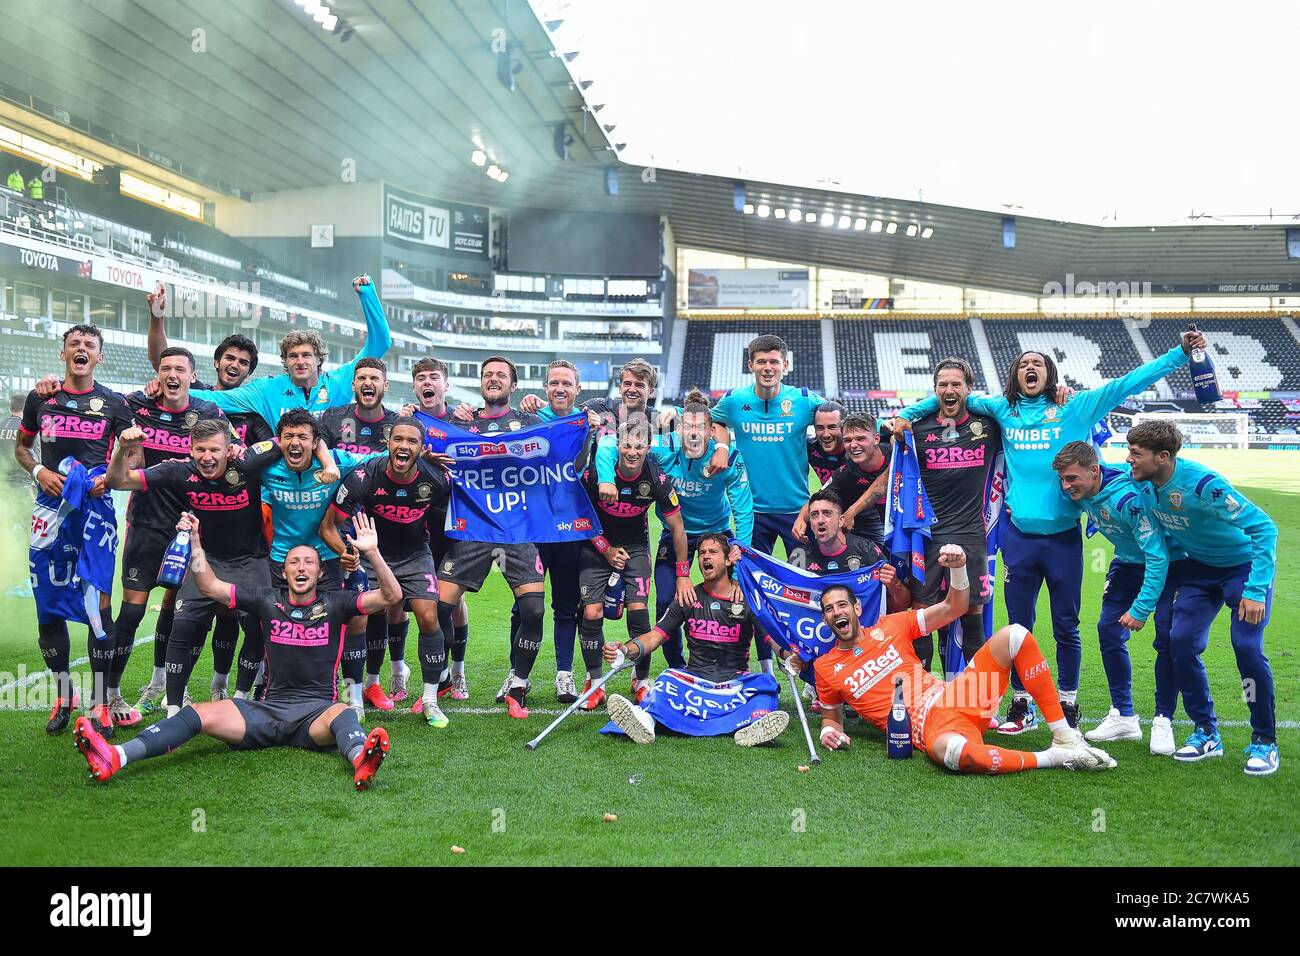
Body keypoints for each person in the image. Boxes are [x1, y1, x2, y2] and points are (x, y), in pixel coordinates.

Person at [891, 329, 1203, 733]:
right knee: (1018, 628)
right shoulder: (1003, 409)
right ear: (1014, 375)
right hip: (1019, 539)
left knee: (1066, 626)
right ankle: (1021, 706)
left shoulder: (1076, 408)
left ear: (1050, 373)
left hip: (1063, 540)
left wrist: (1179, 353)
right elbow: (953, 396)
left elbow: (1130, 381)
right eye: (1023, 364)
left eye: (1038, 363)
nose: (1030, 367)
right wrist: (909, 414)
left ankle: (1068, 703)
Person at [72, 512, 398, 791]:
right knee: (197, 713)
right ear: (284, 573)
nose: (302, 567)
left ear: (319, 572)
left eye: (309, 562)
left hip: (317, 714)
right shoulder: (267, 599)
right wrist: (196, 542)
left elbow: (390, 595)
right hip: (266, 710)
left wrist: (373, 554)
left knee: (343, 712)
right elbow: (209, 586)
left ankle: (361, 760)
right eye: (294, 562)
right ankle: (116, 755)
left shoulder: (337, 604)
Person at [811, 548, 1115, 773]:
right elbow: (831, 717)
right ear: (825, 618)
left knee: (1016, 635)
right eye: (829, 609)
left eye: (842, 605)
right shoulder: (825, 667)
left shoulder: (891, 625)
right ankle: (1055, 758)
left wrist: (958, 568)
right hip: (930, 727)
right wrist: (828, 732)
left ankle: (1064, 736)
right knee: (954, 756)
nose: (837, 612)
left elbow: (954, 606)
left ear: (857, 609)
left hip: (961, 695)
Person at [106, 420, 332, 715]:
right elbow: (118, 481)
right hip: (206, 560)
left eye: (215, 449)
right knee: (183, 624)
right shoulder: (179, 471)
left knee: (256, 624)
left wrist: (327, 462)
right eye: (200, 450)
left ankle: (240, 697)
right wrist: (122, 448)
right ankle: (174, 708)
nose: (207, 457)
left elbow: (295, 439)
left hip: (250, 560)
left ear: (229, 450)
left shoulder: (248, 462)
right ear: (190, 449)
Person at [1126, 420, 1279, 776]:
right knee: (1179, 641)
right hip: (1199, 571)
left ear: (1162, 457)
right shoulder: (1146, 486)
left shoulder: (1203, 485)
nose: (1128, 459)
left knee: (1246, 646)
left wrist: (1255, 590)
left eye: (1135, 453)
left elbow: (1264, 527)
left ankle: (1264, 740)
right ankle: (1206, 732)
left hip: (1243, 569)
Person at [16, 324, 134, 736]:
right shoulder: (41, 399)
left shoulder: (115, 404)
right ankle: (64, 693)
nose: (81, 349)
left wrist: (111, 478)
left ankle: (101, 703)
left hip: (95, 513)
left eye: (90, 345)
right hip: (50, 513)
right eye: (75, 344)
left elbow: (132, 461)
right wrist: (38, 470)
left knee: (99, 608)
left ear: (99, 357)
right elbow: (21, 447)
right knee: (47, 606)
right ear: (63, 352)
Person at [593, 388, 754, 676]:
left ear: (711, 431)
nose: (694, 433)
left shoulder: (728, 459)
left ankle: (744, 666)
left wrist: (742, 554)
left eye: (701, 428)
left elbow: (743, 509)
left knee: (744, 596)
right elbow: (609, 442)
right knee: (667, 600)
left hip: (717, 533)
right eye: (688, 427)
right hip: (675, 532)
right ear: (679, 429)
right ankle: (678, 667)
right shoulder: (662, 448)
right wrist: (606, 478)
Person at [116, 348, 226, 722]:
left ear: (193, 376)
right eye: (165, 368)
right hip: (146, 525)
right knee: (131, 613)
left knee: (175, 611)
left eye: (180, 368)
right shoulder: (137, 405)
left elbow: (226, 452)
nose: (172, 374)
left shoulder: (209, 413)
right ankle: (111, 696)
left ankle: (160, 683)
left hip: (189, 531)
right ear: (157, 373)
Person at [600, 533, 789, 747]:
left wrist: (789, 656)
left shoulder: (746, 599)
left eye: (713, 552)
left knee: (766, 685)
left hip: (734, 683)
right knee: (666, 679)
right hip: (693, 682)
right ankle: (645, 722)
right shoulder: (688, 597)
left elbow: (772, 639)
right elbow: (654, 637)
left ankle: (754, 726)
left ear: (728, 560)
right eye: (702, 553)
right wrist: (625, 650)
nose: (705, 558)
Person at [323, 418, 451, 727]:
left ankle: (431, 699)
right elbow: (327, 526)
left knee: (429, 615)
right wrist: (347, 555)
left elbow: (449, 522)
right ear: (388, 442)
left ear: (422, 449)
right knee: (359, 619)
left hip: (413, 554)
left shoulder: (436, 480)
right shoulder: (364, 477)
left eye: (412, 442)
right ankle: (354, 698)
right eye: (398, 440)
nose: (403, 447)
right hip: (369, 554)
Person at [437, 357, 547, 715]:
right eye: (487, 375)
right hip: (474, 527)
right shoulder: (461, 423)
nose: (493, 379)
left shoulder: (529, 423)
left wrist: (584, 426)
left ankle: (518, 685)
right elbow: (431, 445)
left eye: (501, 375)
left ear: (513, 385)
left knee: (532, 610)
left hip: (519, 529)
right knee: (438, 609)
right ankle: (440, 679)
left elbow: (564, 459)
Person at [1052, 441, 1177, 750]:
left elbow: (1157, 556)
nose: (1066, 487)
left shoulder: (1127, 499)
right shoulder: (1086, 490)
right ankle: (1124, 715)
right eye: (1063, 480)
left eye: (1071, 479)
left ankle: (1164, 720)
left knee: (1167, 638)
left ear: (1094, 471)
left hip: (1168, 565)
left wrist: (1141, 607)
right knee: (1108, 630)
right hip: (1126, 563)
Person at [260, 409, 384, 714]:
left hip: (328, 560)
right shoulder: (267, 468)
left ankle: (352, 692)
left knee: (352, 621)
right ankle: (269, 686)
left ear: (316, 442)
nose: (294, 443)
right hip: (281, 561)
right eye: (288, 436)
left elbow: (379, 459)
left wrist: (426, 457)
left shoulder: (338, 461)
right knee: (273, 625)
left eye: (303, 436)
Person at [579, 416, 692, 710]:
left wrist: (682, 573)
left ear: (647, 448)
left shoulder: (657, 477)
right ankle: (595, 682)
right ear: (618, 446)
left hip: (636, 547)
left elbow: (678, 528)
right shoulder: (597, 475)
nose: (632, 452)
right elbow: (580, 517)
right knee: (592, 612)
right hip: (597, 544)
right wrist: (605, 549)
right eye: (627, 445)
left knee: (639, 612)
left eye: (639, 446)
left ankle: (641, 680)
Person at [902, 358, 1002, 673]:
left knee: (972, 614)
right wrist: (899, 420)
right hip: (927, 535)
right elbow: (883, 434)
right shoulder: (917, 428)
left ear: (968, 390)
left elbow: (1021, 414)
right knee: (921, 613)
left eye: (956, 384)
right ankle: (922, 692)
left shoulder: (988, 427)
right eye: (943, 385)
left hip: (971, 534)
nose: (949, 390)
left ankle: (976, 695)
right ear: (934, 391)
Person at [315, 358, 403, 706]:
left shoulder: (398, 423)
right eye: (361, 378)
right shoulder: (333, 418)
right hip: (334, 528)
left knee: (376, 608)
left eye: (375, 378)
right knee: (335, 609)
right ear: (354, 385)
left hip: (380, 533)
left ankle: (372, 682)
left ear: (385, 386)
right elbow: (315, 445)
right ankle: (329, 682)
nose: (368, 383)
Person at [202, 275, 392, 426]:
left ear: (319, 359)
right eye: (293, 356)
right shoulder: (266, 390)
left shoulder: (339, 381)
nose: (300, 361)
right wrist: (175, 394)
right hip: (283, 473)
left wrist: (368, 295)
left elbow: (381, 342)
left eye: (307, 355)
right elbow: (215, 399)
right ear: (285, 361)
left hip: (328, 472)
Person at [709, 334, 825, 559]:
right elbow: (710, 420)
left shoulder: (802, 400)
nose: (768, 368)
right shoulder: (734, 400)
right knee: (753, 580)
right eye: (761, 362)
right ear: (750, 365)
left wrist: (884, 424)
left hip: (797, 511)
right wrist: (722, 447)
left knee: (802, 580)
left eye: (774, 362)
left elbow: (839, 418)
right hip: (752, 512)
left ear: (785, 365)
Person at [407, 357, 467, 701]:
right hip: (419, 522)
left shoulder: (463, 421)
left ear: (446, 384)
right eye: (421, 378)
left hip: (457, 521)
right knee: (423, 602)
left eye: (434, 377)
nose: (427, 383)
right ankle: (436, 675)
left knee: (452, 599)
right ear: (415, 386)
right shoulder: (409, 421)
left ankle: (457, 671)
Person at [794, 414, 890, 548]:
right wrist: (800, 518)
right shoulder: (846, 471)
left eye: (861, 439)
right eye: (847, 440)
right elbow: (821, 495)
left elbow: (883, 484)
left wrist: (851, 512)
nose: (853, 445)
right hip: (885, 523)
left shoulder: (895, 452)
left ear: (876, 439)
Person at [807, 401, 848, 485]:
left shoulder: (857, 449)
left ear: (845, 427)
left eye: (832, 427)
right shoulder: (808, 447)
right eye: (820, 428)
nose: (826, 434)